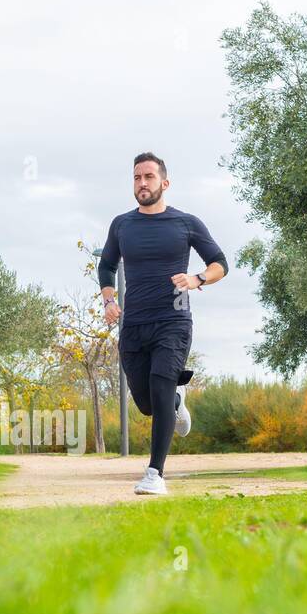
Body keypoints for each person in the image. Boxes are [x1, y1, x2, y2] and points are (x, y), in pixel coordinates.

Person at [98, 152, 228, 494]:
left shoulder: (186, 223)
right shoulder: (122, 225)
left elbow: (220, 263)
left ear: (164, 183)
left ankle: (155, 474)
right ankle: (175, 401)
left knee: (160, 382)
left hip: (173, 320)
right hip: (134, 325)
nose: (142, 183)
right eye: (137, 177)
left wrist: (197, 278)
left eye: (149, 177)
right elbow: (106, 266)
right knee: (146, 403)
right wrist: (109, 300)